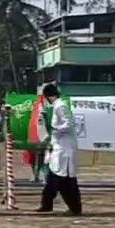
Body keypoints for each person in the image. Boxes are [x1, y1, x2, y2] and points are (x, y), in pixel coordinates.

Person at [35, 84, 82, 215]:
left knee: (63, 181)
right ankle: (48, 204)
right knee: (55, 179)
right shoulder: (55, 106)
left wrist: (54, 129)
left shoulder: (60, 106)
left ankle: (73, 207)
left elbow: (70, 124)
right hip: (59, 148)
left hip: (64, 150)